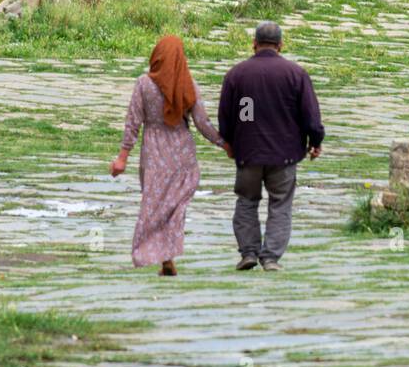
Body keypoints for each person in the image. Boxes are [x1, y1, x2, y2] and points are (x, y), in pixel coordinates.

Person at [111, 35, 225, 277]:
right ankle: (168, 255)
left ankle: (157, 254)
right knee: (176, 206)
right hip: (182, 152)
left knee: (153, 203)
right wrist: (224, 144)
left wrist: (123, 157)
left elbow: (133, 122)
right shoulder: (188, 85)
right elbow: (202, 123)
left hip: (153, 152)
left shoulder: (143, 84)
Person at [218, 21, 324, 272]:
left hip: (248, 153)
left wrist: (230, 142)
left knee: (246, 201)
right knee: (280, 205)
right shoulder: (296, 74)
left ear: (254, 44)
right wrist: (315, 142)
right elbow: (311, 116)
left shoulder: (237, 75)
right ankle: (271, 258)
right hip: (284, 155)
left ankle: (248, 253)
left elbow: (228, 117)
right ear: (281, 45)